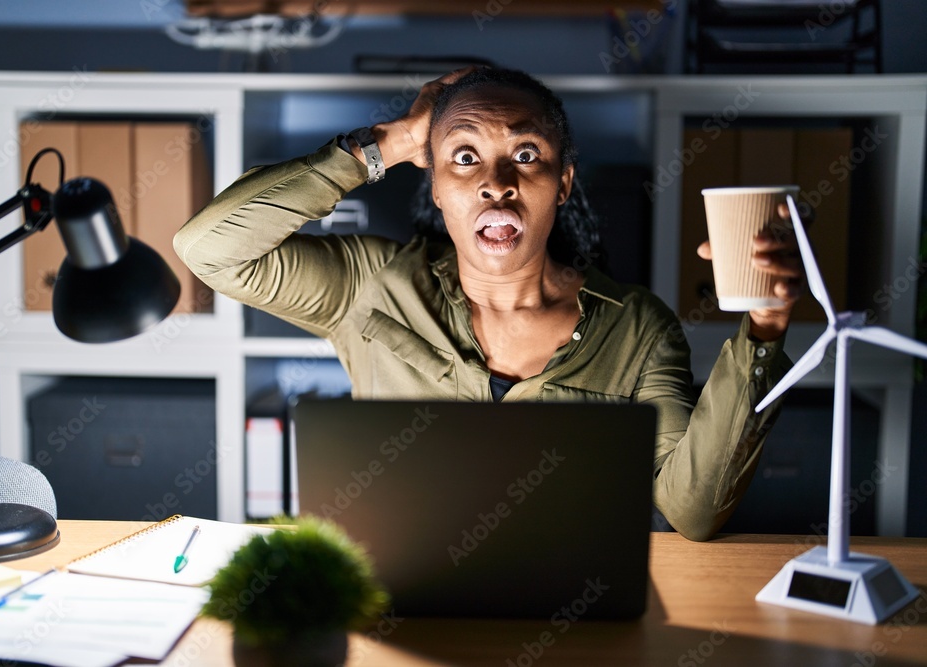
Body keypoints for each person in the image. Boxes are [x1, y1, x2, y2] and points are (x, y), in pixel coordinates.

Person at [174, 67, 801, 541]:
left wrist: (766, 329)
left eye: (525, 156)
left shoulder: (636, 326)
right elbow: (208, 249)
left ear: (563, 182)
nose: (494, 182)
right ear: (437, 185)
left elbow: (692, 511)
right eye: (464, 157)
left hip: (569, 617)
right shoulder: (372, 285)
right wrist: (390, 143)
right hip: (401, 606)